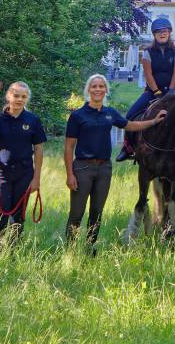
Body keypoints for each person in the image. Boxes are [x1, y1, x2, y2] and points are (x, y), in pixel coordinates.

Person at [64, 74, 167, 252]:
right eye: (94, 86)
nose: (97, 89)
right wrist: (70, 174)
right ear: (89, 90)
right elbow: (68, 147)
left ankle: (90, 248)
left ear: (105, 90)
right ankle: (70, 251)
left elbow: (130, 125)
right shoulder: (78, 116)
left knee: (97, 213)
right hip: (82, 168)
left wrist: (153, 121)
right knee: (76, 213)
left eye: (101, 86)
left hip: (104, 168)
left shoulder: (109, 113)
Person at [117, 17, 175, 162]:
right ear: (154, 34)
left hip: (173, 92)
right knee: (130, 115)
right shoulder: (147, 53)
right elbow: (148, 75)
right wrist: (156, 92)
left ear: (169, 33)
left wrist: (170, 94)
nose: (162, 34)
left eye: (165, 31)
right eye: (159, 32)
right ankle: (127, 148)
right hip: (152, 91)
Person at [0, 82, 46, 251]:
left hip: (25, 174)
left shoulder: (33, 120)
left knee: (18, 217)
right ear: (8, 96)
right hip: (2, 173)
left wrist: (36, 178)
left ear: (26, 98)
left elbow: (39, 149)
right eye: (16, 96)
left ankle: (13, 252)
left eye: (23, 96)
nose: (19, 99)